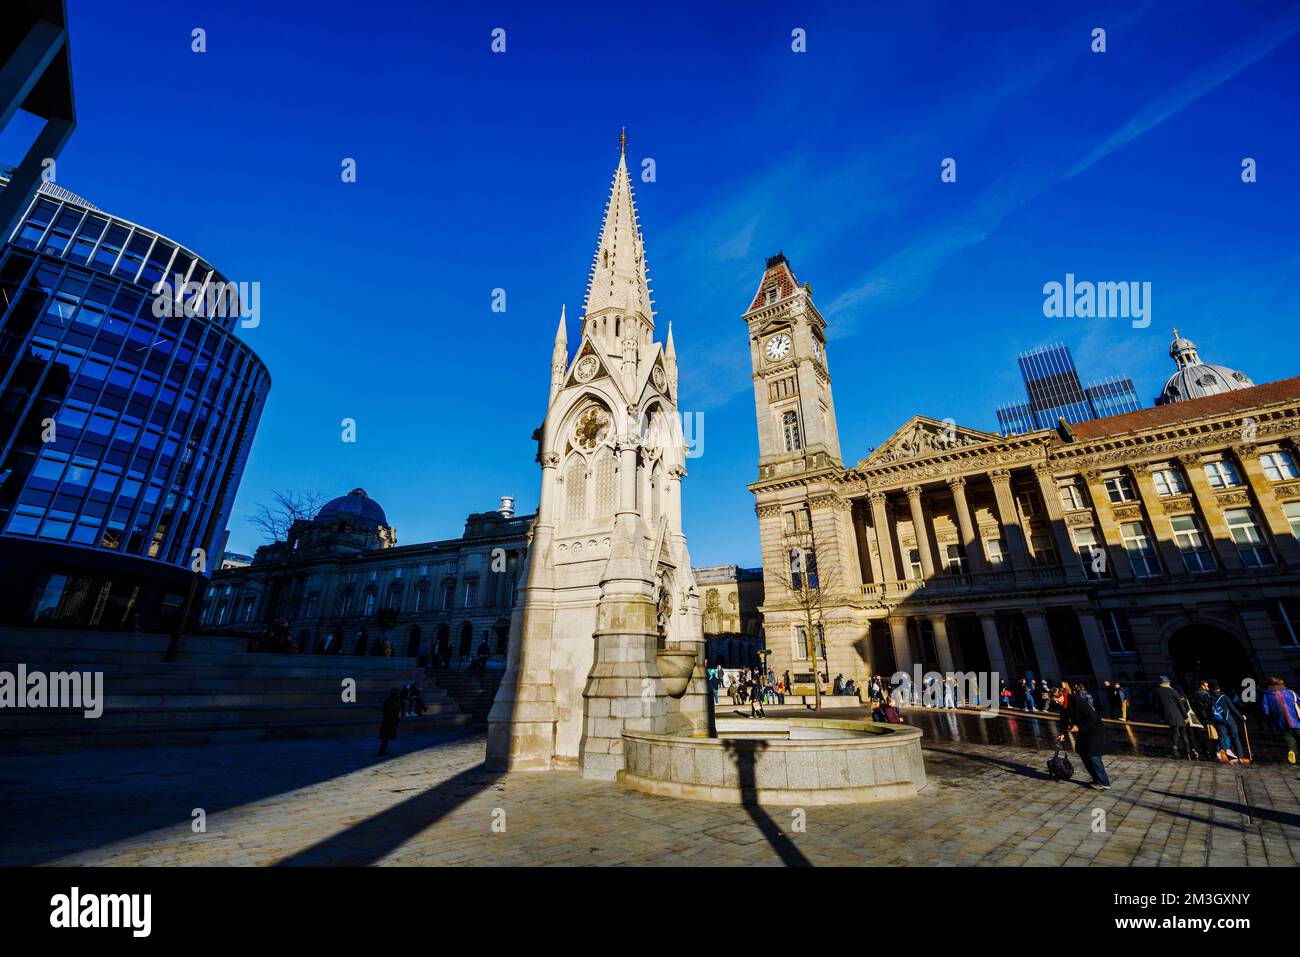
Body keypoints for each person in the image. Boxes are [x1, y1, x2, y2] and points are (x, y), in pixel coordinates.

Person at [1053, 685, 1110, 790]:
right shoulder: (1063, 704)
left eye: (1057, 700)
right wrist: (1062, 732)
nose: (1056, 702)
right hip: (1084, 730)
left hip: (1094, 728)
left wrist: (1078, 726)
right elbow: (1064, 718)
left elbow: (1092, 716)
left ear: (1062, 695)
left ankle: (1104, 782)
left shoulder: (1076, 700)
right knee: (1083, 753)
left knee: (1093, 755)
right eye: (1054, 701)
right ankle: (1096, 779)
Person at [1152, 676, 1196, 760]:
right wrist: (1186, 717)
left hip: (1168, 716)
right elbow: (1181, 705)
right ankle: (1188, 753)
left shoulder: (1156, 691)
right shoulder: (1173, 691)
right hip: (1179, 715)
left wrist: (1162, 715)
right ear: (1168, 682)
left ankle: (1175, 751)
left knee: (1175, 733)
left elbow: (1156, 706)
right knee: (1184, 734)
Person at [1261, 677, 1300, 765]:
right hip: (1296, 721)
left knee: (1289, 739)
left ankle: (1292, 751)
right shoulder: (1290, 693)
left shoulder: (1267, 695)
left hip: (1280, 721)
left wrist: (1269, 718)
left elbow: (1265, 709)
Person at [1207, 680, 1246, 764]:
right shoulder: (1224, 697)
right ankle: (1240, 757)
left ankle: (1223, 756)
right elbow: (1233, 708)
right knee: (1235, 737)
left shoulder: (1209, 698)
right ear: (1218, 688)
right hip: (1229, 720)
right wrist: (1241, 717)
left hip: (1219, 721)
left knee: (1222, 737)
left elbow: (1208, 710)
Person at [378, 688, 401, 756]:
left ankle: (382, 751)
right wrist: (395, 718)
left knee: (386, 738)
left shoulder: (395, 701)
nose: (398, 695)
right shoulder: (390, 701)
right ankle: (381, 751)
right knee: (386, 737)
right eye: (397, 693)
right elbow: (389, 712)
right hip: (388, 721)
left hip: (391, 721)